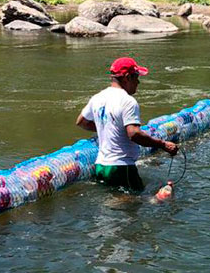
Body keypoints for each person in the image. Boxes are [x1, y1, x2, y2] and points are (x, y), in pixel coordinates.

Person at [76, 57, 179, 192]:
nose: (138, 81)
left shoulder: (97, 97)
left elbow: (81, 122)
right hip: (121, 166)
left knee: (115, 204)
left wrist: (109, 127)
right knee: (138, 203)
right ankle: (161, 198)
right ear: (127, 77)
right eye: (136, 77)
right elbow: (134, 134)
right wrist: (163, 145)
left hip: (101, 166)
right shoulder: (128, 101)